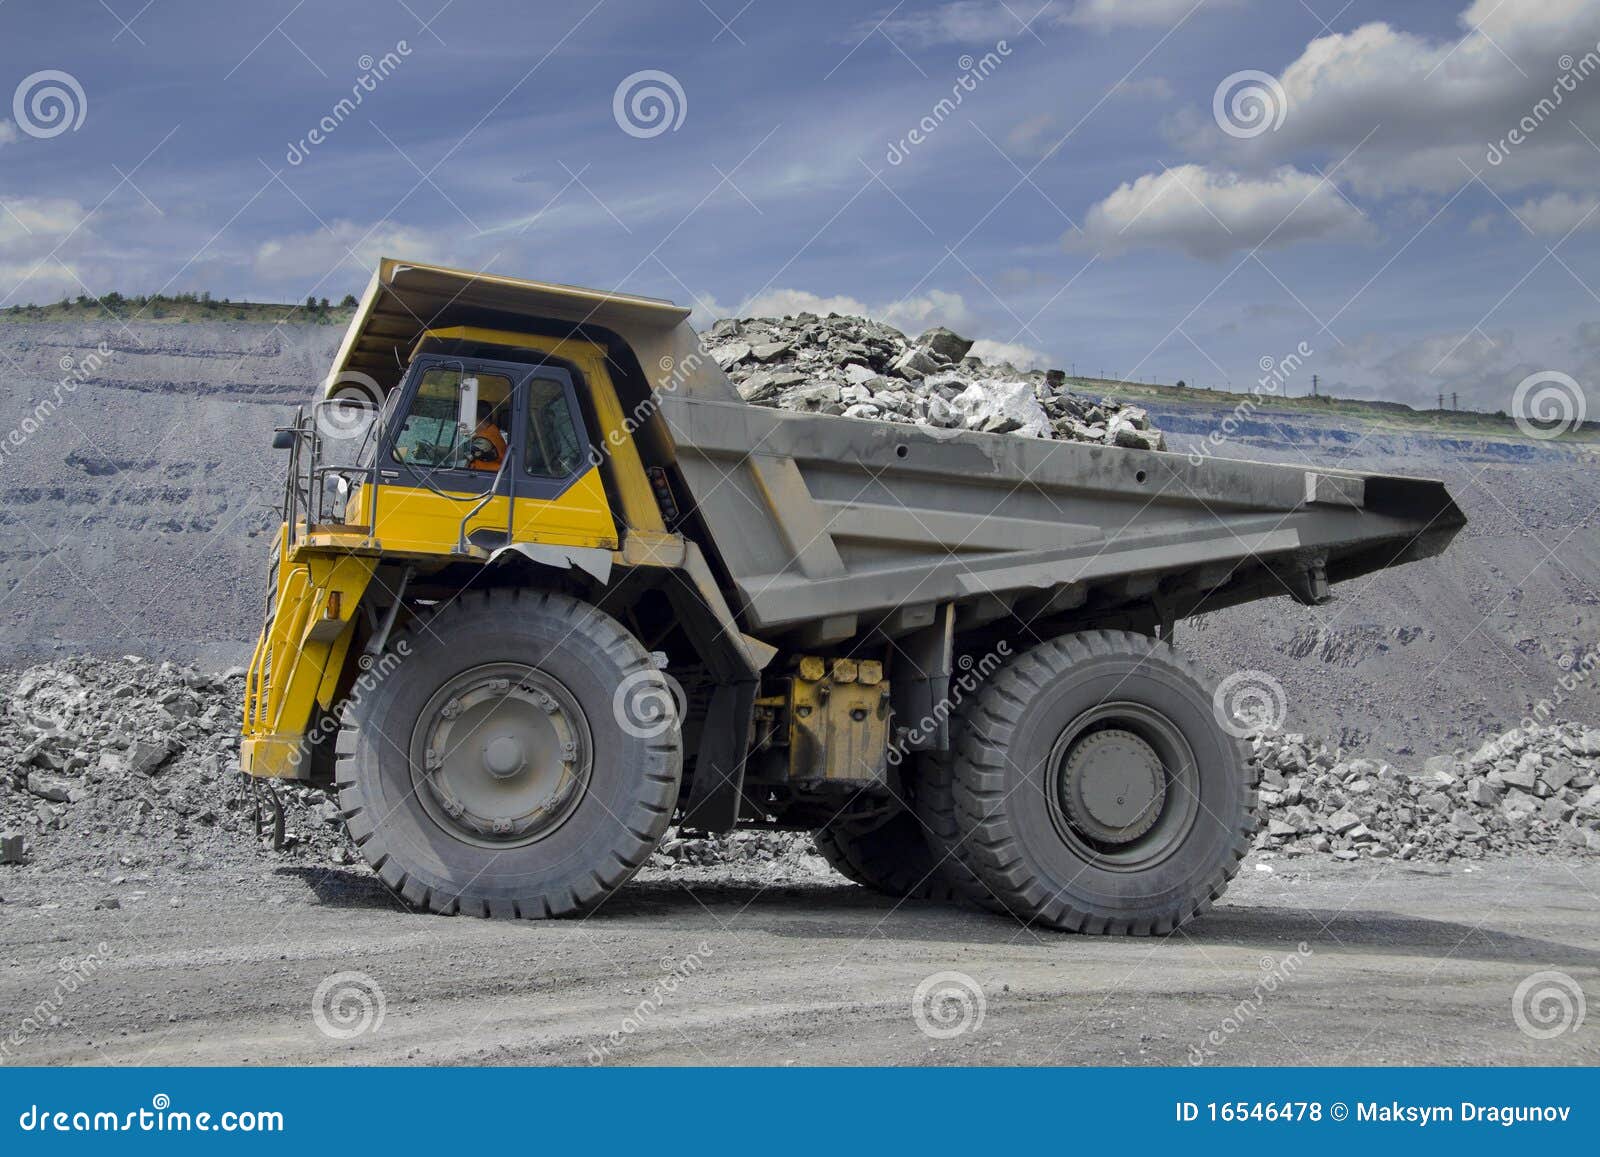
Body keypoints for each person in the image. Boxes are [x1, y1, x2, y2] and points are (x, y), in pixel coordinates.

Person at [467, 400, 508, 472]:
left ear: (473, 418)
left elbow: (461, 456)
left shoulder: (485, 440)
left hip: (486, 479)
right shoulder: (492, 431)